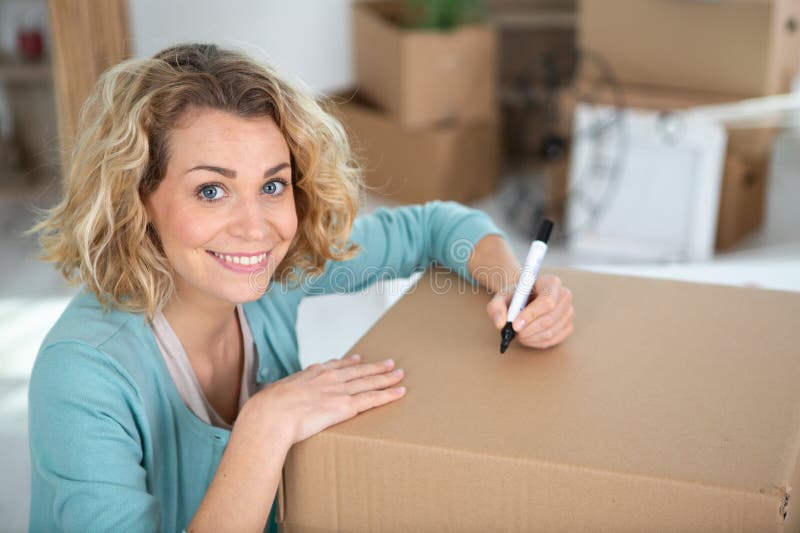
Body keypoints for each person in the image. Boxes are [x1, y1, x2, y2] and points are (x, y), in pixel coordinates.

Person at [27, 43, 574, 532]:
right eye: (212, 190)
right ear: (138, 199)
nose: (256, 227)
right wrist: (266, 423)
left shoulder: (276, 271)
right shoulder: (82, 373)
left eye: (272, 184)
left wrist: (514, 287)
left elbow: (439, 226)